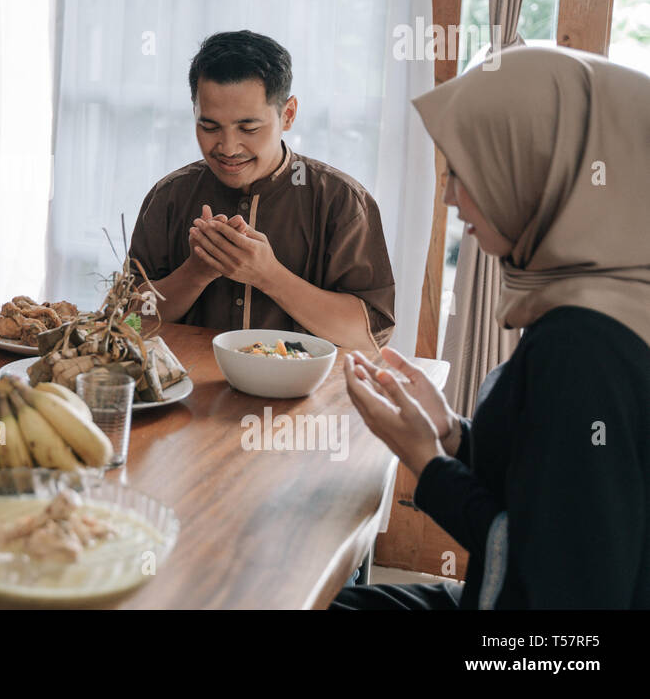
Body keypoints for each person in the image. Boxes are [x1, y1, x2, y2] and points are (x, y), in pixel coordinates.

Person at [333, 46, 650, 609]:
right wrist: (452, 433)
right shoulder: (607, 298)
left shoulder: (583, 345)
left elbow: (559, 581)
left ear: (535, 169)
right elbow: (557, 496)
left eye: (465, 172)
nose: (451, 197)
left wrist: (426, 462)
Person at [128, 30, 396, 349]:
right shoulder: (169, 197)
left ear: (288, 114)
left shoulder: (341, 202)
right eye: (209, 126)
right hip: (188, 393)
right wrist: (195, 272)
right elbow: (129, 322)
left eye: (249, 128)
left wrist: (268, 275)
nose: (227, 147)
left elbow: (369, 336)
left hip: (304, 396)